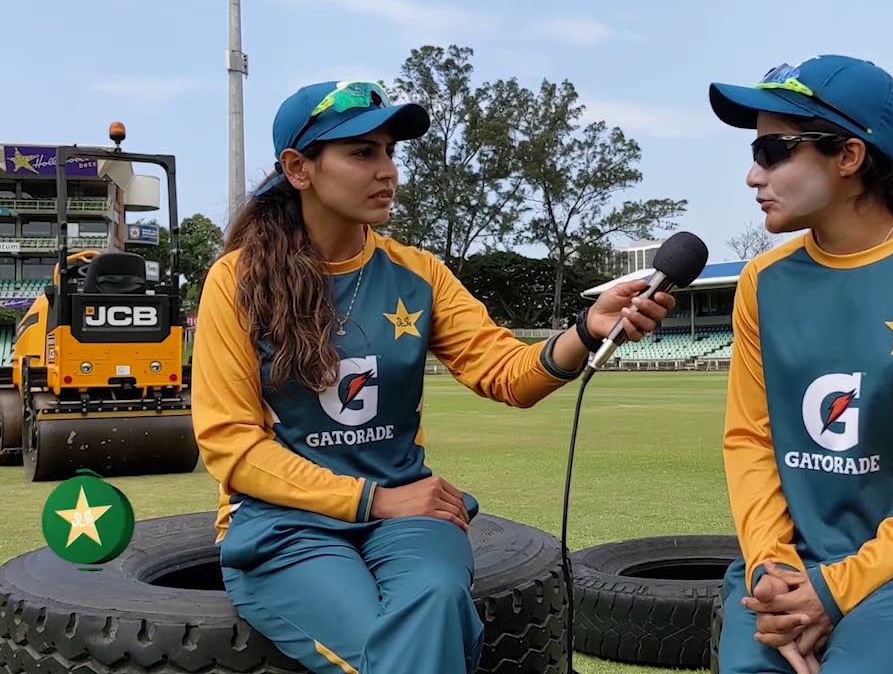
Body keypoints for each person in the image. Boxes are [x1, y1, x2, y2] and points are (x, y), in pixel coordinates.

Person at [190, 79, 677, 674]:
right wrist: (376, 498)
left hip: (413, 517)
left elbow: (505, 371)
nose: (387, 171)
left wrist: (585, 330)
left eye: (390, 152)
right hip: (284, 525)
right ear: (298, 168)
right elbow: (231, 445)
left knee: (437, 600)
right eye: (362, 153)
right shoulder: (236, 280)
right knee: (399, 648)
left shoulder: (419, 273)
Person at [707, 55, 893, 674]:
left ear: (849, 158)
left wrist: (837, 590)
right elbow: (751, 439)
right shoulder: (760, 282)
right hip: (789, 564)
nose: (752, 175)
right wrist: (772, 567)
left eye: (773, 151)